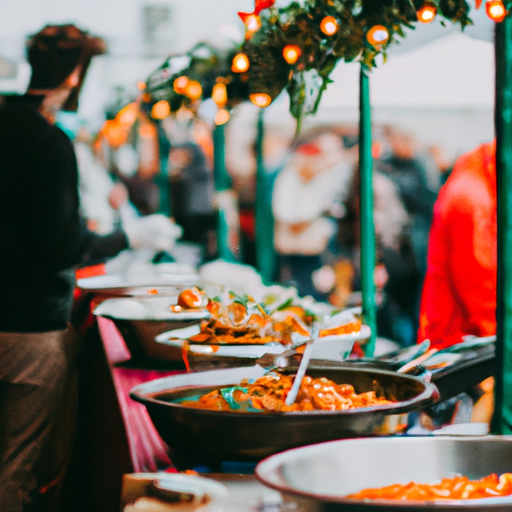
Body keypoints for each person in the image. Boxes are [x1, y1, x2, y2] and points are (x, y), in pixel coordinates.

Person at [0, 24, 180, 512]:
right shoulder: (47, 139)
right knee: (19, 472)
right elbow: (61, 246)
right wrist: (129, 236)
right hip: (30, 331)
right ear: (77, 75)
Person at [326, 166, 421, 347]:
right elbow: (338, 255)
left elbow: (407, 267)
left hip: (391, 310)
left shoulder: (390, 218)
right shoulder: (348, 218)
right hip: (355, 305)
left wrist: (387, 270)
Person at [418, 141, 496, 350]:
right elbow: (481, 289)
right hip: (458, 343)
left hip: (462, 337)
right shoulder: (471, 198)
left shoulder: (478, 175)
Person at [271, 128, 354, 300]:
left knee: (316, 285)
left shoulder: (323, 178)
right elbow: (282, 209)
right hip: (293, 244)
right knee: (297, 285)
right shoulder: (289, 176)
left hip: (313, 244)